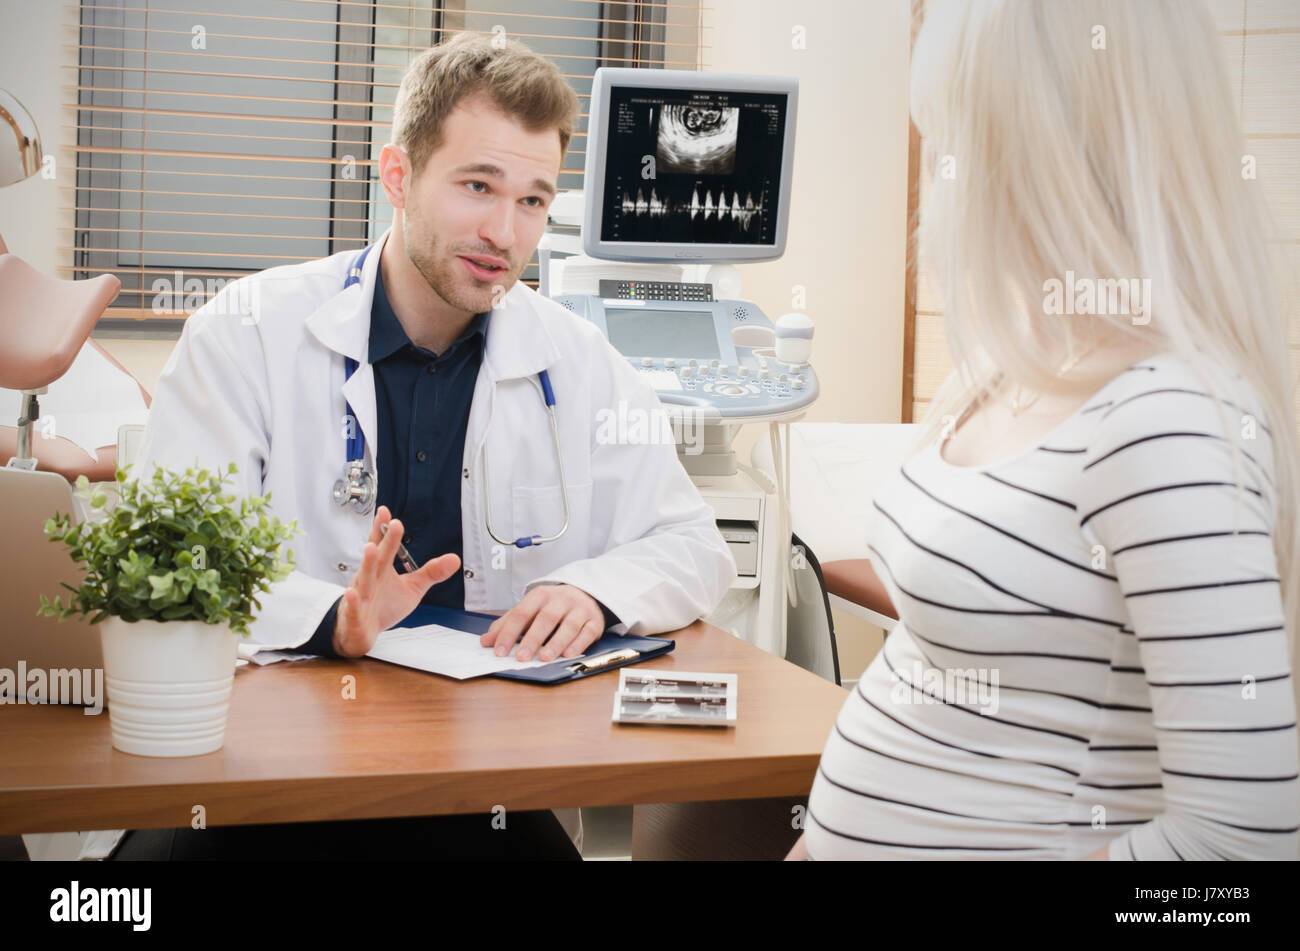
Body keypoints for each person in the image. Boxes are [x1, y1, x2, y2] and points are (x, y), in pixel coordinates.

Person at [104, 32, 736, 860]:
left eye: (533, 201)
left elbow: (692, 545)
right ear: (397, 176)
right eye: (478, 186)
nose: (504, 232)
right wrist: (335, 618)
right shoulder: (246, 331)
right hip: (262, 769)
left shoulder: (578, 363)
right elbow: (165, 565)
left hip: (483, 779)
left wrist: (595, 591)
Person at [788, 0, 1299, 860]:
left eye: (955, 139)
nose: (937, 183)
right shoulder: (1006, 367)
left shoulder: (1166, 421)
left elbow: (1240, 854)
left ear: (1042, 152)